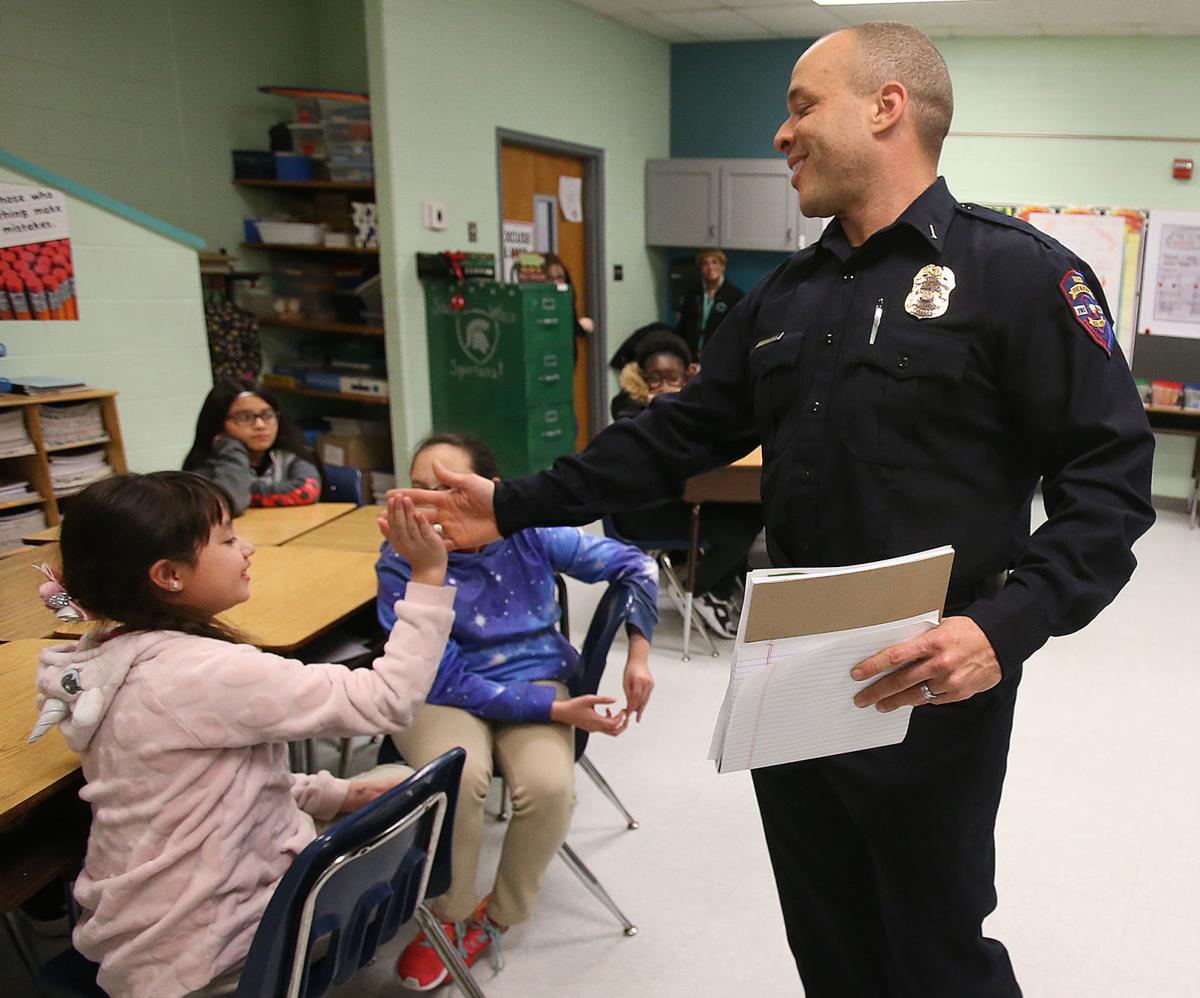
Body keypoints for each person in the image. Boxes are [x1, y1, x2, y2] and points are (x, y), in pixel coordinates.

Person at [397, 22, 1157, 998]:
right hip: (791, 662)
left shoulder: (1017, 276)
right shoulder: (786, 296)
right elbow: (675, 436)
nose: (781, 133)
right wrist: (512, 503)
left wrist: (1005, 626)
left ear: (886, 107)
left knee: (934, 948)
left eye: (802, 106)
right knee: (825, 932)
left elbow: (1110, 484)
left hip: (930, 667)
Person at [29, 472, 455, 998]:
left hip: (146, 934)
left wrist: (332, 793)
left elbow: (210, 787)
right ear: (169, 575)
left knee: (375, 786)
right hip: (218, 949)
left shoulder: (102, 662)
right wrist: (428, 573)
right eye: (228, 539)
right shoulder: (204, 671)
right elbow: (389, 699)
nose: (247, 549)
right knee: (401, 780)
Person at [377, 432, 657, 990]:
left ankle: (497, 917)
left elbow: (636, 565)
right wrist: (553, 708)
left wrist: (639, 652)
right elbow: (444, 677)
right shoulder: (400, 560)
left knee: (549, 788)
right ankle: (450, 917)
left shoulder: (529, 532)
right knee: (460, 775)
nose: (431, 505)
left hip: (533, 682)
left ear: (490, 489)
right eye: (421, 489)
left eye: (449, 490)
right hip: (440, 693)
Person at [610, 329, 762, 637]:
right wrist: (667, 404)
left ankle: (717, 589)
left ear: (686, 376)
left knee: (753, 510)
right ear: (640, 378)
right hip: (639, 510)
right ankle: (698, 589)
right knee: (735, 531)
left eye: (673, 378)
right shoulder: (629, 408)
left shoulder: (689, 404)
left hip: (677, 498)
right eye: (655, 378)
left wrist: (693, 392)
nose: (664, 385)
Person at [183, 376, 321, 513]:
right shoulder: (207, 470)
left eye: (267, 415)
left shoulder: (289, 452)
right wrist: (231, 449)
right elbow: (230, 501)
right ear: (219, 425)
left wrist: (245, 488)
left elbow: (306, 491)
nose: (260, 425)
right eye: (244, 417)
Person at [676, 248, 744, 357]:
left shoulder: (735, 296)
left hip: (720, 355)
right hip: (691, 356)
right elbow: (682, 327)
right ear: (700, 269)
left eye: (714, 262)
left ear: (722, 266)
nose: (710, 267)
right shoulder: (691, 295)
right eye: (705, 263)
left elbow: (739, 332)